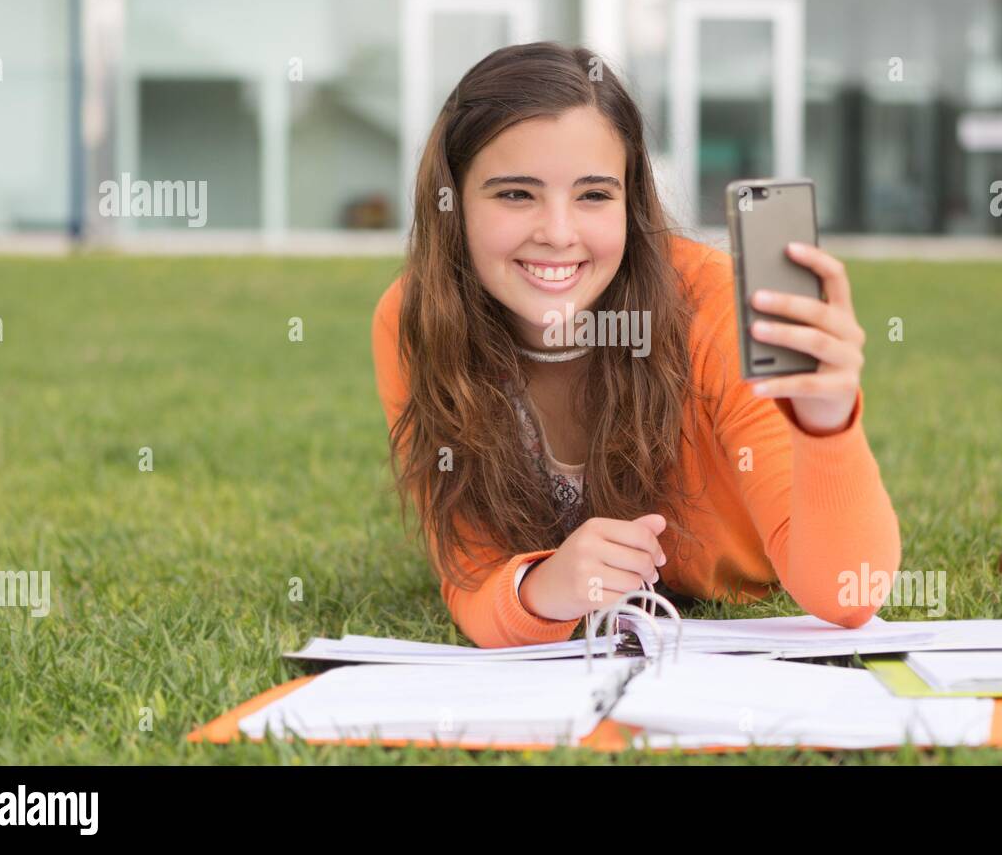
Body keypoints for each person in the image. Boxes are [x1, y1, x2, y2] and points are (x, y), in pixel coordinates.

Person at [372, 41, 900, 648]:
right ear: (453, 203)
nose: (559, 233)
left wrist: (827, 423)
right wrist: (543, 589)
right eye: (516, 193)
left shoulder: (713, 307)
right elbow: (471, 570)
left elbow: (847, 594)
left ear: (631, 203)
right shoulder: (414, 318)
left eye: (594, 195)